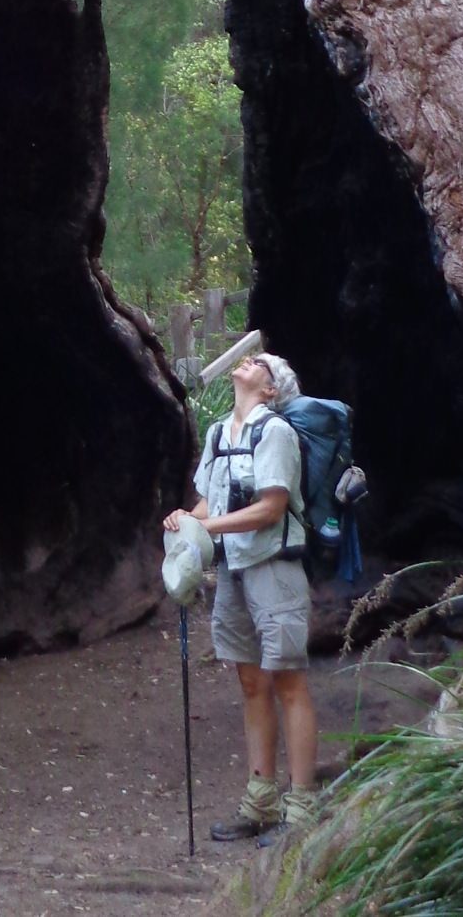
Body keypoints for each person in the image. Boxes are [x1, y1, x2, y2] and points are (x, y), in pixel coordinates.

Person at [162, 351, 319, 844]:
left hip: (274, 568)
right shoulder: (217, 434)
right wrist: (187, 519)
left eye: (263, 364)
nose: (251, 360)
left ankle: (302, 807)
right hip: (234, 569)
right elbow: (208, 502)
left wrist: (207, 526)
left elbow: (271, 508)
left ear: (271, 391)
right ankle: (261, 801)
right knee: (251, 683)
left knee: (288, 682)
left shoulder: (275, 432)